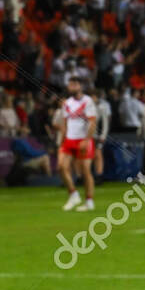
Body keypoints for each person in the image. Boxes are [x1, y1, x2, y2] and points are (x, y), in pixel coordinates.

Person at [56, 76, 96, 211]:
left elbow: (92, 122)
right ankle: (73, 194)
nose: (71, 87)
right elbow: (65, 123)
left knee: (85, 171)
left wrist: (87, 140)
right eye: (70, 85)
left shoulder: (88, 101)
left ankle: (89, 201)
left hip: (83, 139)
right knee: (61, 167)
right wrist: (62, 140)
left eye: (74, 84)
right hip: (69, 138)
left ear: (80, 86)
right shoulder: (66, 103)